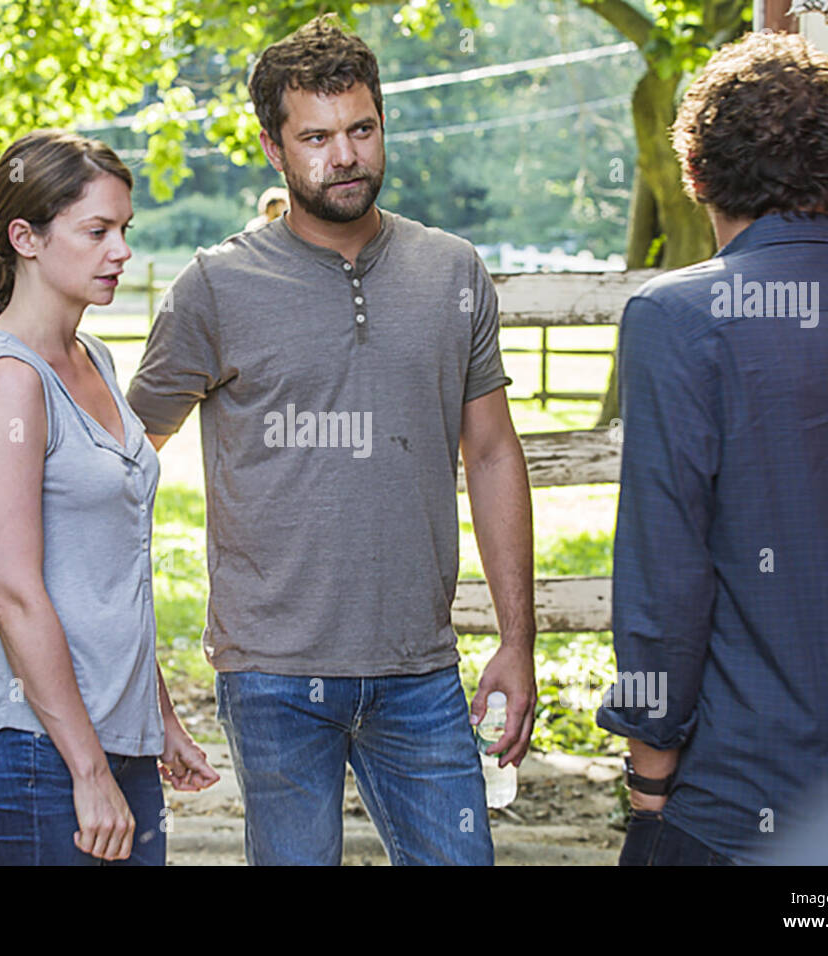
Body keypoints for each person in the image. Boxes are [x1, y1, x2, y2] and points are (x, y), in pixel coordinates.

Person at [126, 14, 536, 866]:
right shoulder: (215, 286)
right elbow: (123, 464)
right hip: (271, 670)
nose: (344, 155)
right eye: (315, 137)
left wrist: (517, 639)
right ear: (274, 150)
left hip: (419, 667)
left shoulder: (452, 271)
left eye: (361, 129)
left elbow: (493, 453)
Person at [596, 31, 828, 865]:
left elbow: (664, 568)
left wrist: (650, 764)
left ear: (694, 172)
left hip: (729, 803)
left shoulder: (676, 320)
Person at [0, 130, 218, 867]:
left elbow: (112, 574)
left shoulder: (96, 359)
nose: (121, 251)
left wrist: (160, 717)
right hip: (35, 746)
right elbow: (15, 591)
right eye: (97, 231)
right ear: (26, 238)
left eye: (125, 230)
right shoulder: (6, 380)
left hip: (114, 735)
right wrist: (86, 769)